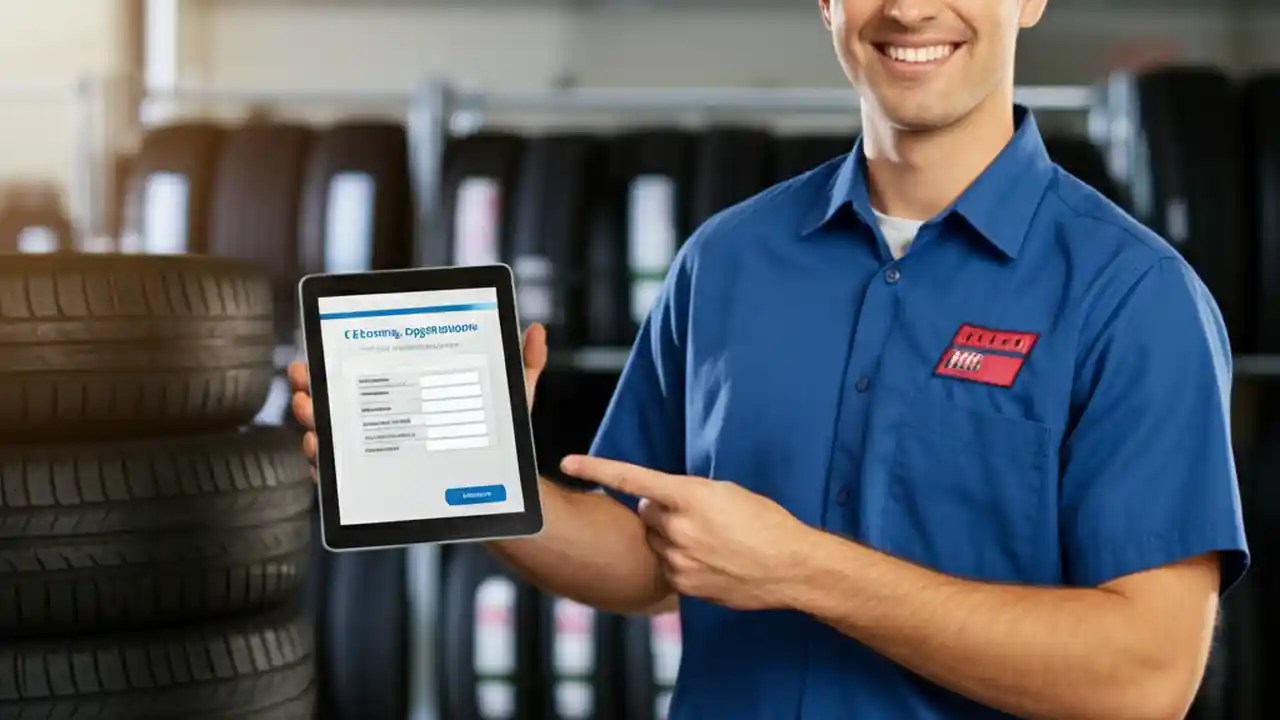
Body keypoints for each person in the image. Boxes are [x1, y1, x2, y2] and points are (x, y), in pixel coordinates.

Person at [289, 0, 1250, 716]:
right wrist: (469, 478)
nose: (910, 9)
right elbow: (646, 559)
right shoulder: (727, 260)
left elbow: (1147, 677)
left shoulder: (1133, 297)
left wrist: (803, 570)